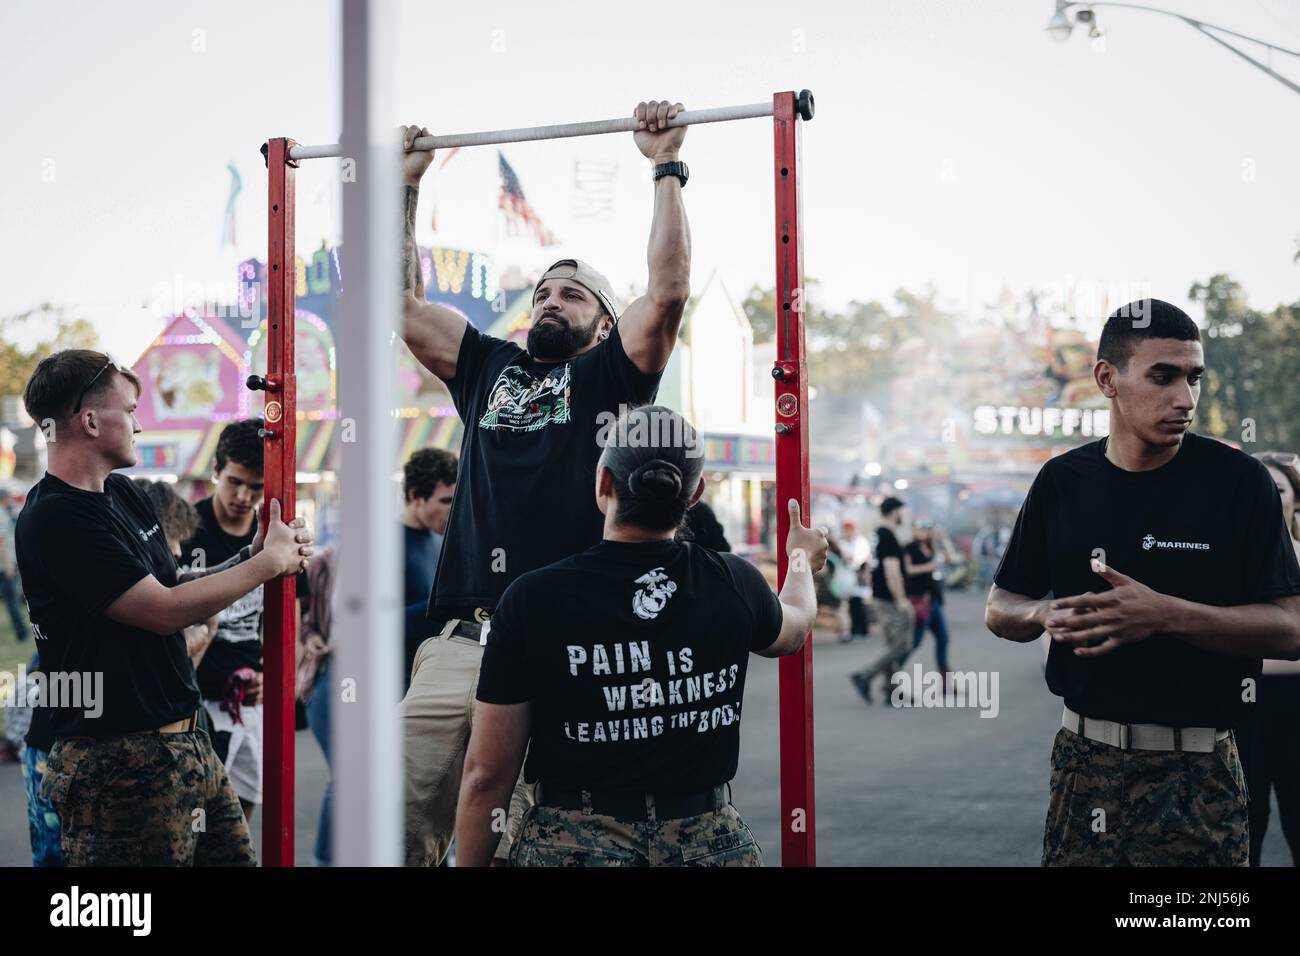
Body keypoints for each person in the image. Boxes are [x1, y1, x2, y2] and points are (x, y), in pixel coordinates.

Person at [397, 98, 692, 866]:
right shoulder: (491, 366)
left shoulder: (611, 375)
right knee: (395, 823)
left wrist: (664, 165)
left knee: (512, 837)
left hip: (552, 643)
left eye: (573, 294)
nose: (550, 300)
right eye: (543, 292)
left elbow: (665, 296)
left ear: (604, 323)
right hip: (459, 637)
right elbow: (401, 305)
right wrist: (406, 188)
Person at [985, 300, 1300, 867]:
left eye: (1193, 378)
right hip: (1086, 764)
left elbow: (1291, 628)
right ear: (1107, 377)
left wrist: (1165, 614)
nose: (1185, 398)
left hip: (1199, 772)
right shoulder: (1062, 481)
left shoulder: (1239, 483)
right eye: (1163, 376)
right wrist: (1042, 616)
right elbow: (1001, 605)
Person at [453, 406, 827, 866]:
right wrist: (801, 563)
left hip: (574, 846)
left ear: (604, 483)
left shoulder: (533, 598)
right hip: (709, 846)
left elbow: (487, 776)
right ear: (694, 496)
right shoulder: (733, 581)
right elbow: (792, 628)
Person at [16, 350, 313, 866]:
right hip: (119, 763)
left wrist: (250, 554)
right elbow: (164, 610)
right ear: (89, 421)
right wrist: (268, 566)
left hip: (186, 739)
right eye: (129, 409)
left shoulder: (124, 493)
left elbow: (173, 583)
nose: (138, 422)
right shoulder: (54, 517)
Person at [180, 419, 311, 825]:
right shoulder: (182, 529)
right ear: (216, 470)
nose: (242, 496)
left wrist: (275, 678)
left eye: (255, 487)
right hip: (191, 699)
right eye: (234, 481)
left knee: (238, 823)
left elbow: (292, 621)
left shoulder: (277, 535)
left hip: (249, 697)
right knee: (189, 822)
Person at [1235, 451, 1300, 865]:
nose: (1269, 498)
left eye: (1277, 489)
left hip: (1295, 705)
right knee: (1244, 820)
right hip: (1242, 705)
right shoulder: (1227, 562)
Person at [400, 448, 456, 690]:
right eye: (445, 501)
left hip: (428, 679)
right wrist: (443, 604)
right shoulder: (383, 546)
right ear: (416, 496)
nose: (452, 509)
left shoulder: (440, 540)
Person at [850, 497, 915, 704]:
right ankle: (865, 676)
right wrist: (901, 600)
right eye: (902, 511)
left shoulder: (877, 534)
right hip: (888, 598)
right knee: (901, 646)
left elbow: (871, 566)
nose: (904, 515)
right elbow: (891, 571)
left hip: (878, 595)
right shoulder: (888, 536)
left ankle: (892, 690)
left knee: (891, 645)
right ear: (894, 512)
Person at [299, 546, 338, 866]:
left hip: (380, 680)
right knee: (344, 775)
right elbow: (300, 615)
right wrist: (310, 636)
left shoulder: (397, 555)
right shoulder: (326, 562)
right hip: (331, 673)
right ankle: (323, 861)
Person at [903, 517, 956, 689]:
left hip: (934, 600)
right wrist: (929, 566)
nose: (924, 531)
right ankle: (892, 673)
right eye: (920, 528)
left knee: (943, 637)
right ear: (913, 530)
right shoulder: (909, 548)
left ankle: (946, 680)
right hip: (918, 601)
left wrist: (942, 538)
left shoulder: (932, 547)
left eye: (927, 528)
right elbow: (908, 570)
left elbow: (949, 558)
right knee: (914, 642)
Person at [0, 487, 31, 641]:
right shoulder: (1, 516)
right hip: (4, 568)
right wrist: (8, 567)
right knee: (13, 602)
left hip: (4, 566)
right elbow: (1, 544)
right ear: (4, 499)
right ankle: (22, 634)